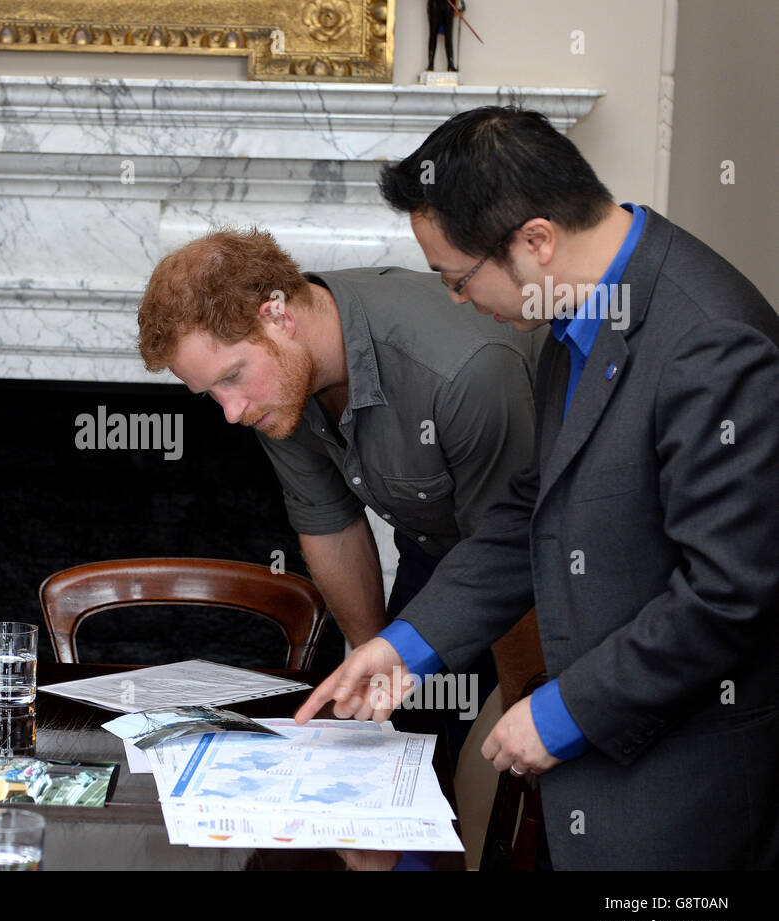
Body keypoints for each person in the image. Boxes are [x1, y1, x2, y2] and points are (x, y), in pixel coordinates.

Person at [297, 105, 779, 870]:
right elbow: (534, 507)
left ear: (536, 241)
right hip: (605, 785)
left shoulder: (711, 342)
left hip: (685, 802)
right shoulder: (573, 312)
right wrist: (404, 646)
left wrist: (561, 712)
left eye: (457, 279)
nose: (457, 301)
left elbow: (728, 596)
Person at [137, 227, 543, 777]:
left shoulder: (463, 370)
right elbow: (330, 524)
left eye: (232, 378)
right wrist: (371, 664)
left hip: (545, 568)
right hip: (438, 550)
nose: (230, 411)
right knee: (410, 749)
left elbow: (516, 560)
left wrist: (528, 712)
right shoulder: (279, 381)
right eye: (212, 392)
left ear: (278, 315)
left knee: (511, 770)